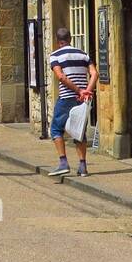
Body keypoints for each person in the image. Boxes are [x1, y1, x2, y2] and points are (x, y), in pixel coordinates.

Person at [46, 27, 98, 176]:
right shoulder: (83, 55)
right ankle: (82, 167)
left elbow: (61, 76)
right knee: (79, 131)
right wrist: (86, 90)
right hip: (82, 100)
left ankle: (63, 162)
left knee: (56, 129)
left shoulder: (55, 55)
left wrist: (78, 90)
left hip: (67, 97)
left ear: (58, 41)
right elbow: (94, 74)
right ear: (70, 39)